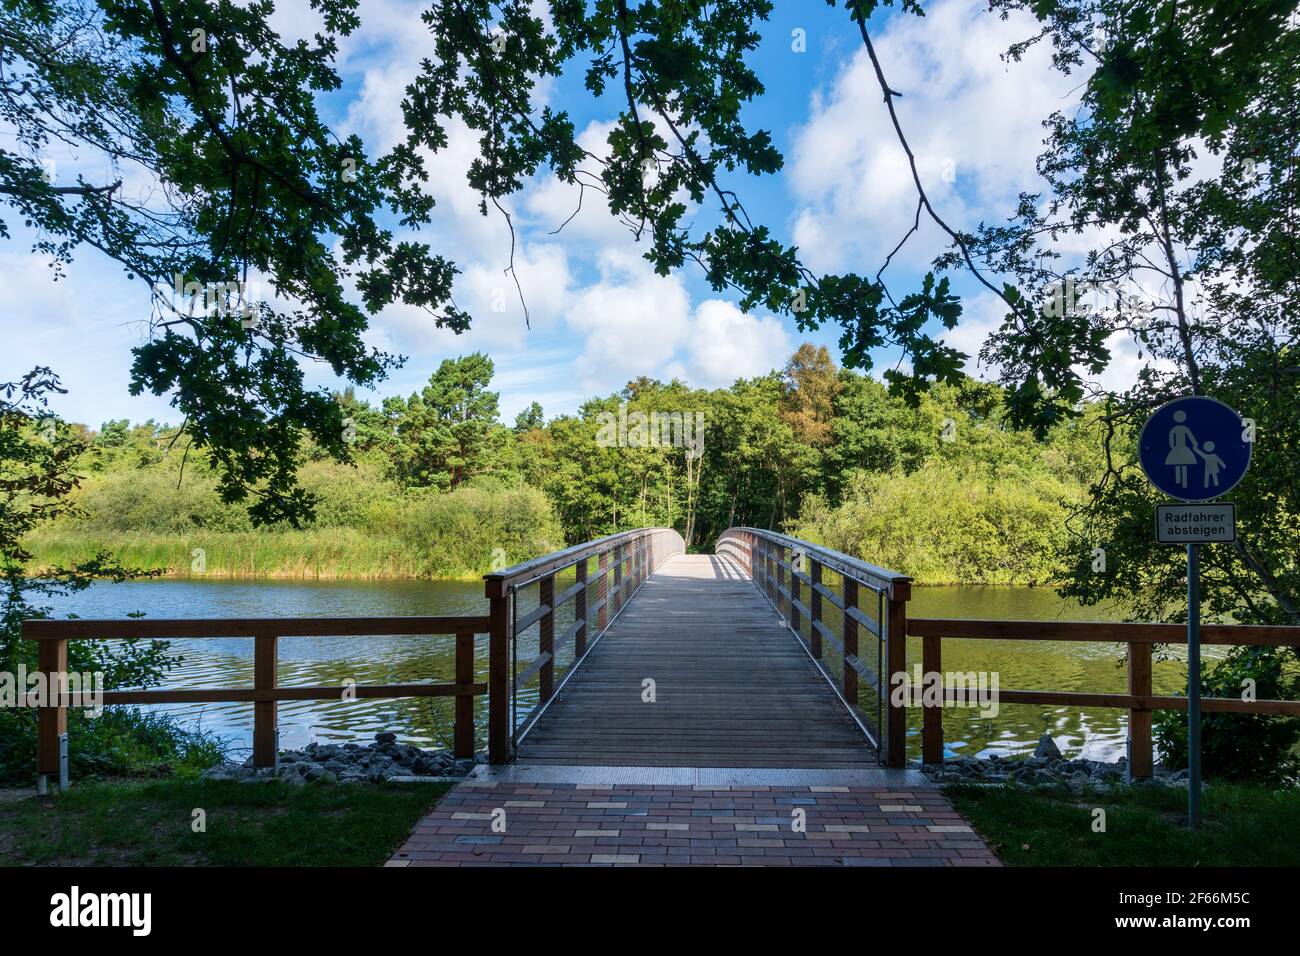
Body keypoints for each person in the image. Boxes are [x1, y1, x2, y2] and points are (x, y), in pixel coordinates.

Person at [1165, 409, 1199, 489]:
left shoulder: (1178, 429)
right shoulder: (1180, 429)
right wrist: (1195, 443)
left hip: (1179, 448)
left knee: (1181, 464)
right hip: (1180, 448)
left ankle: (1181, 482)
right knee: (1180, 464)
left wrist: (1173, 446)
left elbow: (1172, 439)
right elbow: (1171, 438)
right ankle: (1179, 482)